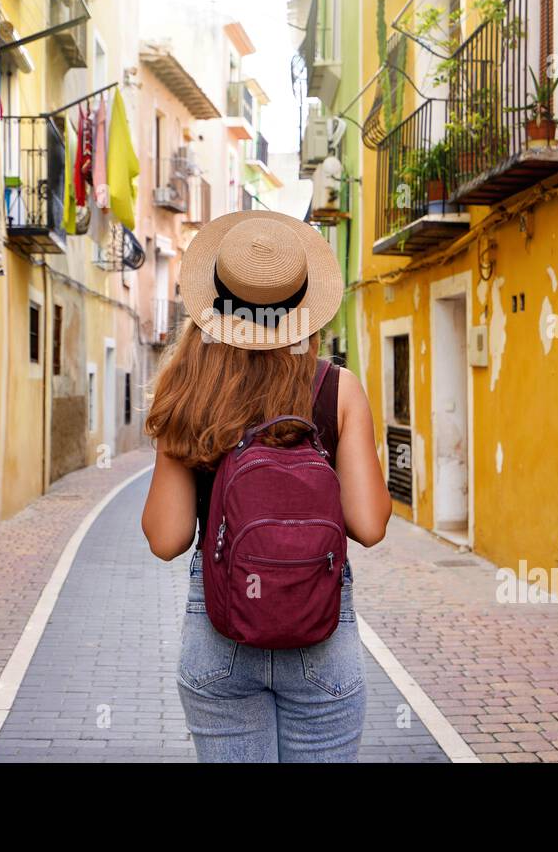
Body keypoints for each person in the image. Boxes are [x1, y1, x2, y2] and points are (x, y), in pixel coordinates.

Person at [141, 209, 392, 762]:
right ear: (304, 306)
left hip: (218, 635)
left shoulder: (187, 390)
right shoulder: (336, 389)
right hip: (320, 634)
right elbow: (370, 525)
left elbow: (166, 538)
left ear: (214, 304)